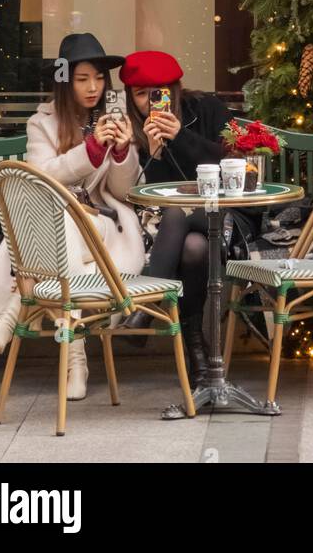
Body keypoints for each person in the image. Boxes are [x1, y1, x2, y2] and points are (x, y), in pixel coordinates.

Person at [0, 33, 143, 401]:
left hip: (98, 223)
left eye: (98, 78)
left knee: (66, 221)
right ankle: (77, 360)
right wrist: (91, 148)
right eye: (82, 79)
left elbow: (122, 189)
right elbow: (42, 176)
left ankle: (15, 309)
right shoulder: (42, 122)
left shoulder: (114, 117)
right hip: (53, 227)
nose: (93, 87)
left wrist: (122, 151)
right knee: (61, 218)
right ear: (65, 83)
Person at [120, 50, 230, 387]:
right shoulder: (132, 128)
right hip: (169, 228)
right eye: (141, 94)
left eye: (159, 92)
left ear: (175, 89)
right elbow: (144, 196)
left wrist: (180, 137)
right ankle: (196, 350)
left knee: (180, 217)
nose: (150, 102)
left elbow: (227, 165)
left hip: (221, 215)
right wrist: (154, 153)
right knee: (193, 247)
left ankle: (147, 305)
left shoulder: (207, 109)